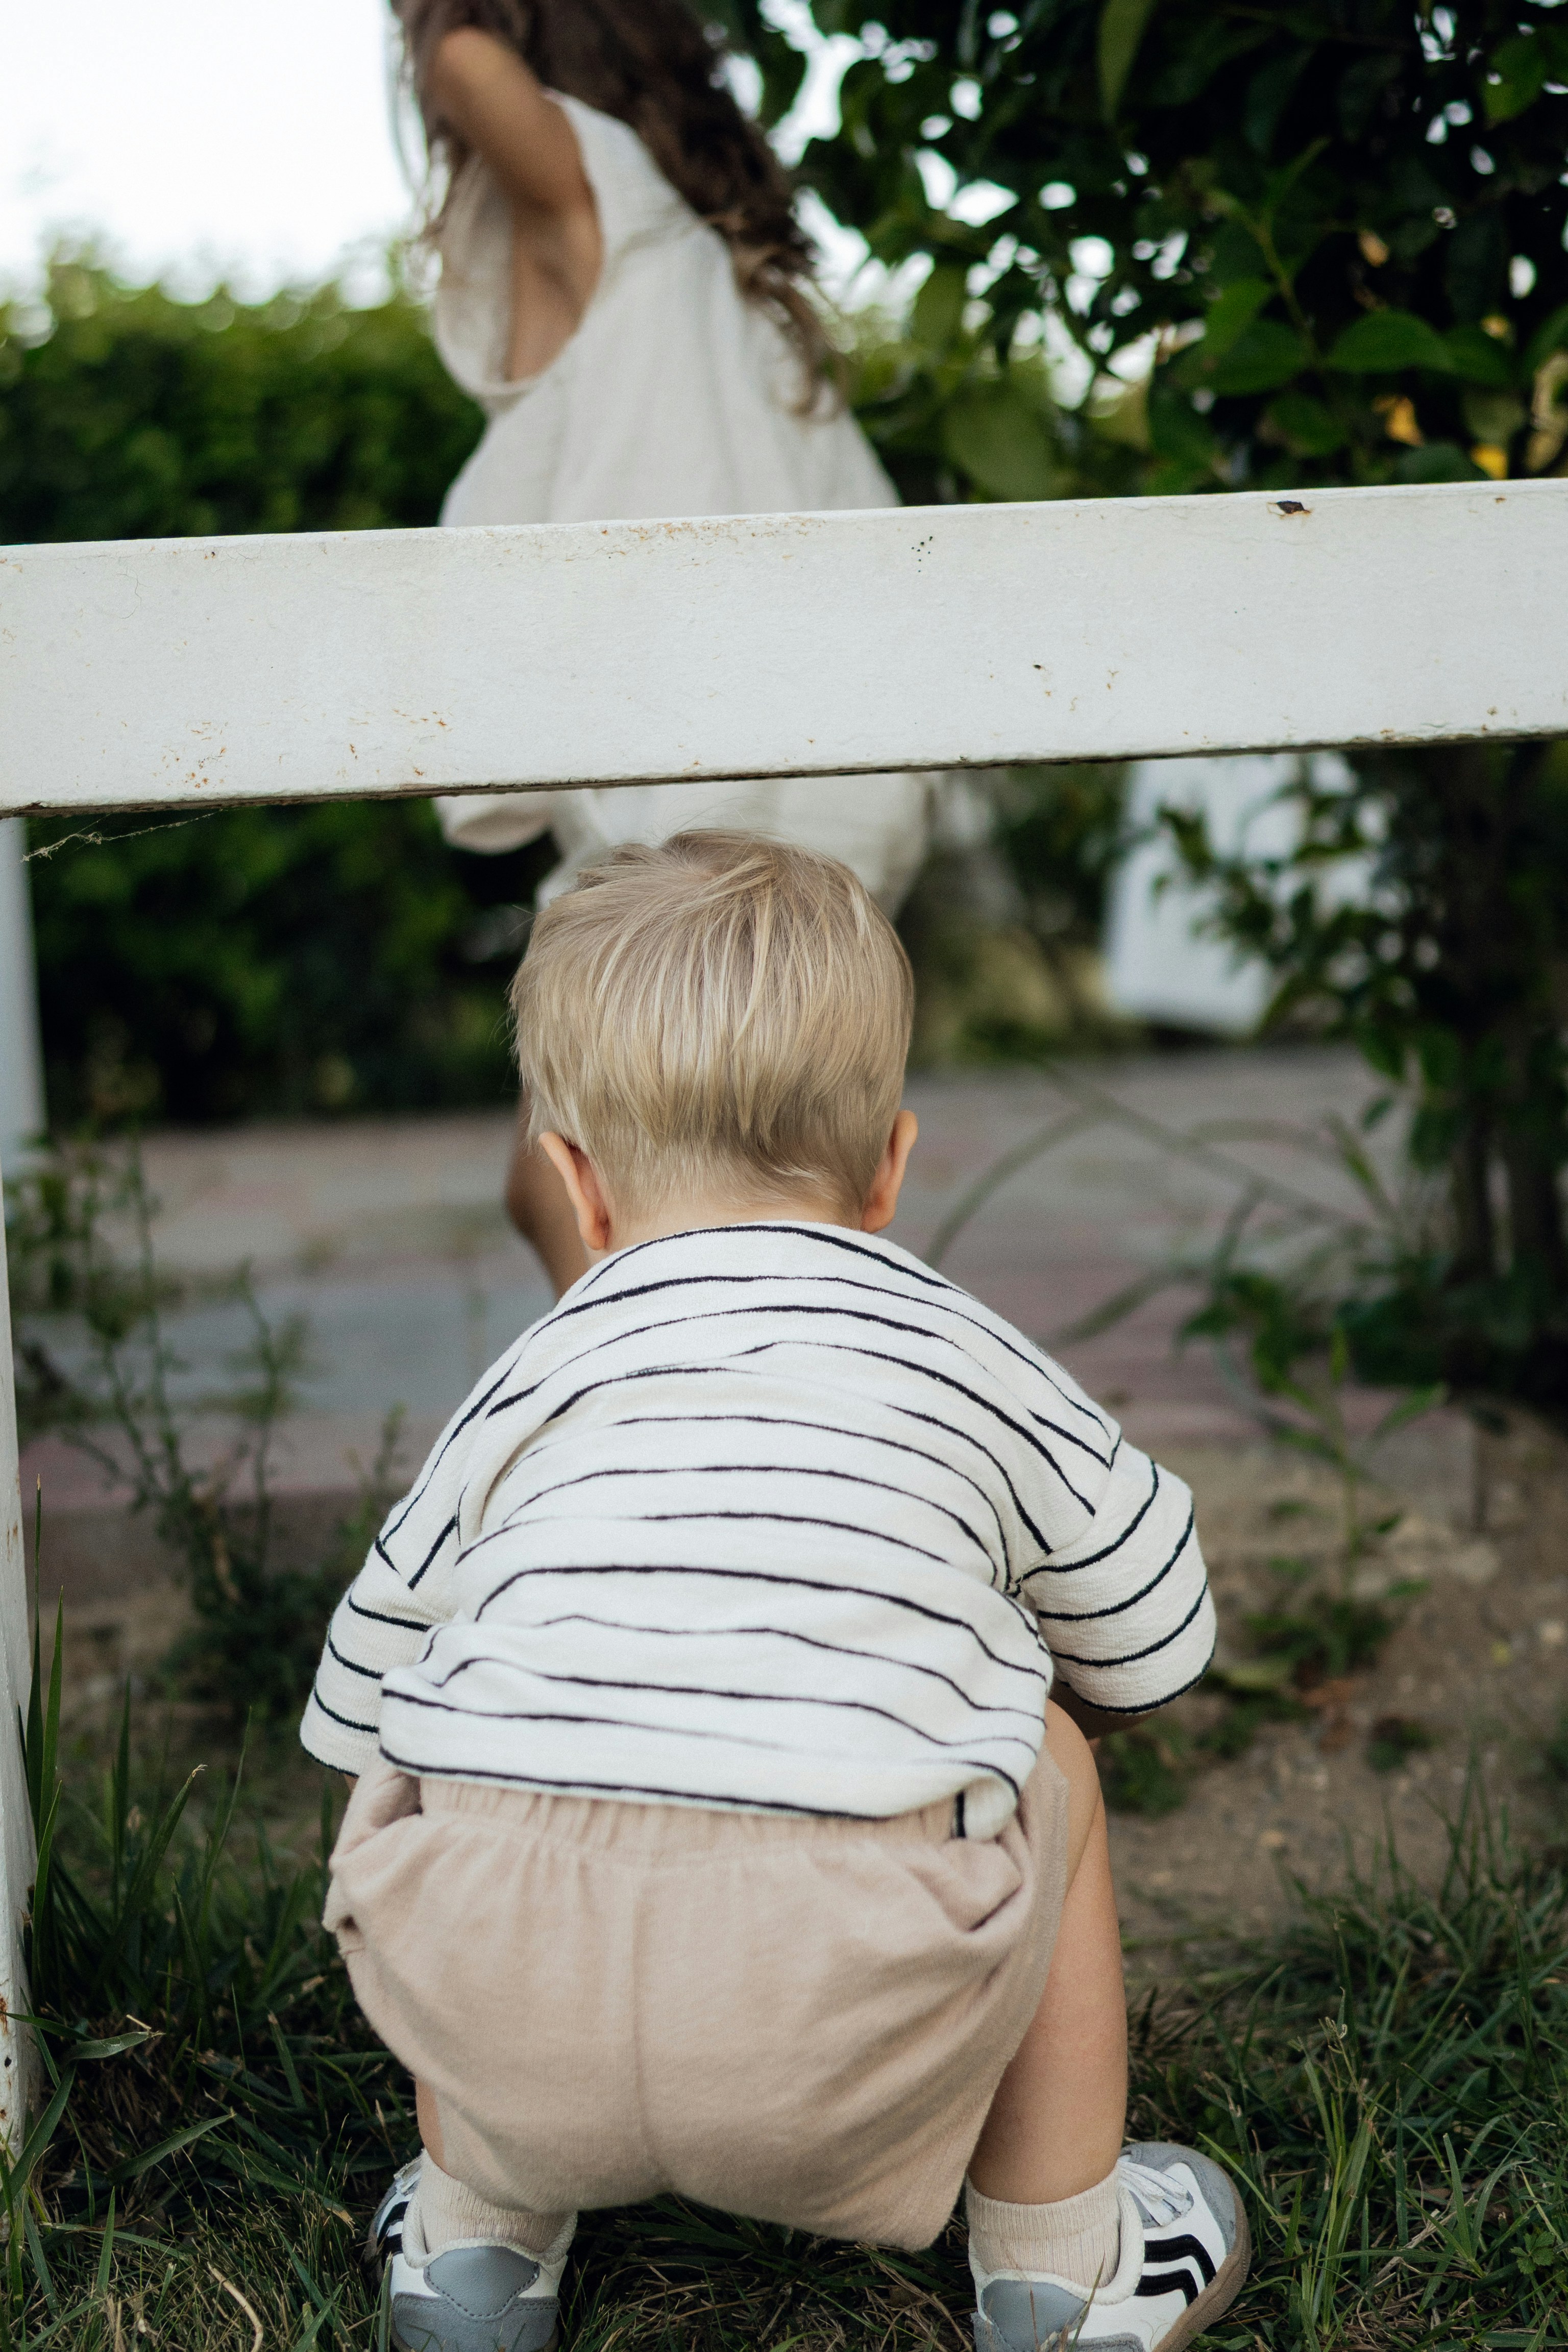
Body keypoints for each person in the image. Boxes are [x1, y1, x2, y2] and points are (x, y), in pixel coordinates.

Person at [304, 832, 1249, 2352]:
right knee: (1049, 1746)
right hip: (859, 2011)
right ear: (891, 1166)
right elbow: (1154, 1635)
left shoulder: (529, 1379)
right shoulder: (958, 1344)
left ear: (573, 1189)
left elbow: (357, 1710)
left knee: (455, 1746)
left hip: (499, 2003)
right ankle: (1060, 2271)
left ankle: (474, 2246)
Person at [392, 0, 953, 1295]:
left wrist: (440, 24)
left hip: (696, 805)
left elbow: (467, 65)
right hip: (842, 801)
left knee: (580, 1172)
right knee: (765, 1180)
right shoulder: (721, 271)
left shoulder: (598, 210)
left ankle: (646, 1415)